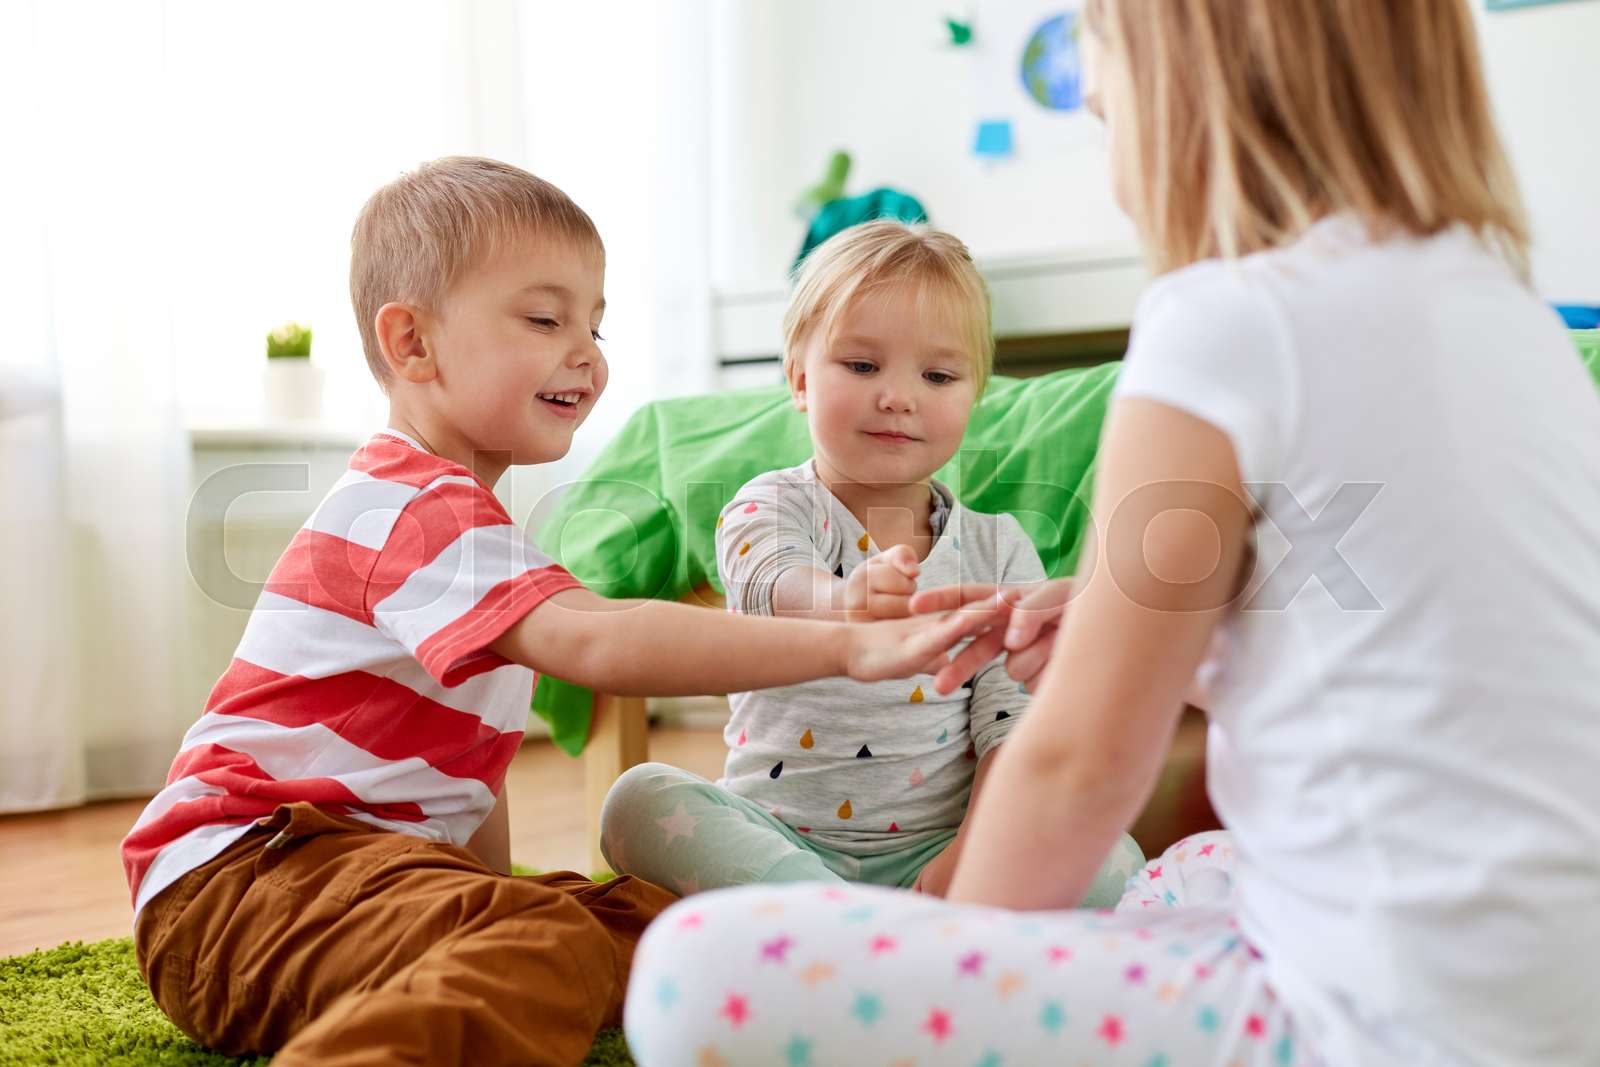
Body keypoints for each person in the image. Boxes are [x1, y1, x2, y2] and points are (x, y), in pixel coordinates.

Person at [622, 2, 1600, 1063]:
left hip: (1379, 1024)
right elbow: (1358, 639)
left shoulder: (1226, 317)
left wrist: (941, 965)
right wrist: (1104, 615)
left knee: (690, 976)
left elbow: (1078, 763)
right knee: (1186, 867)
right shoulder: (1507, 316)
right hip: (1554, 991)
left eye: (1104, 96)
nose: (1102, 117)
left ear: (1184, 80)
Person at [120, 157, 998, 1067]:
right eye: (546, 319)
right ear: (412, 344)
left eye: (596, 323)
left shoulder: (476, 524)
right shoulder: (404, 506)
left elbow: (471, 771)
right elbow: (600, 637)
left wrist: (492, 892)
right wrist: (841, 646)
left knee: (667, 923)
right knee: (545, 944)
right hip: (245, 878)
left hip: (364, 874)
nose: (587, 351)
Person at [598, 220, 1142, 903]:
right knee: (637, 802)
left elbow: (1012, 720)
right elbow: (767, 581)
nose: (899, 396)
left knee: (1113, 857)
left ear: (972, 395)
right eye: (861, 366)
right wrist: (842, 604)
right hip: (778, 842)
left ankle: (852, 930)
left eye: (938, 375)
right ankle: (855, 921)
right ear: (799, 379)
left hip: (942, 852)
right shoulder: (769, 504)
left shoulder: (999, 545)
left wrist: (973, 852)